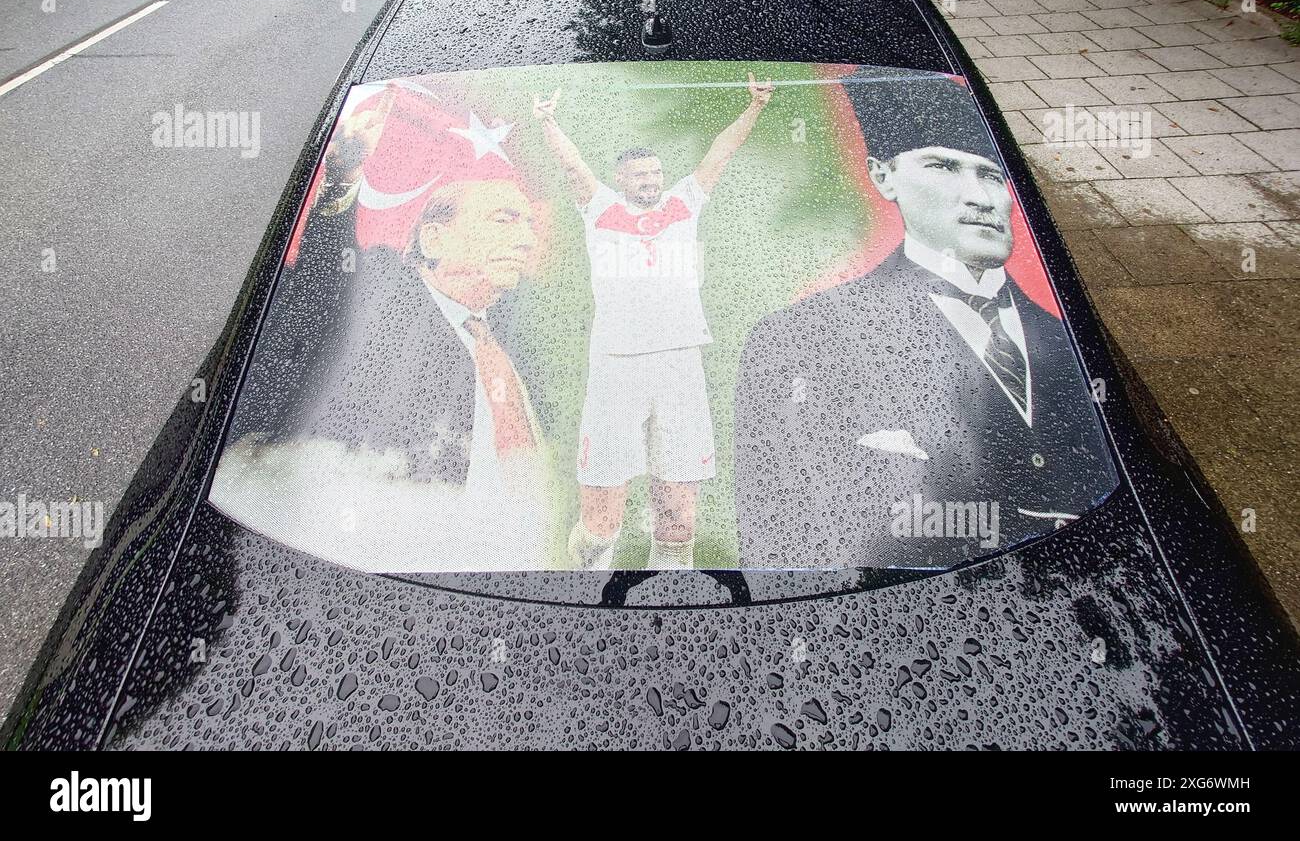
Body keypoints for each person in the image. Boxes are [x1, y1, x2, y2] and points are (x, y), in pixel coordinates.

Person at [733, 83, 1116, 570]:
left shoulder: (1071, 341)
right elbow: (778, 541)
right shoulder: (798, 340)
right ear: (883, 176)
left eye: (992, 175)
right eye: (943, 166)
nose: (979, 197)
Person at [210, 86, 555, 571]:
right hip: (371, 559)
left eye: (528, 226)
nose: (523, 239)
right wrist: (343, 177)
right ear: (435, 235)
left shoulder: (520, 337)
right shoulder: (382, 288)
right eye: (504, 220)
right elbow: (322, 277)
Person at [534, 72, 775, 570]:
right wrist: (547, 122)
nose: (650, 180)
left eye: (655, 172)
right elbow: (574, 168)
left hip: (679, 364)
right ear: (621, 179)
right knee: (601, 524)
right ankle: (576, 579)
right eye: (640, 174)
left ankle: (670, 601)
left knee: (678, 519)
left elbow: (719, 154)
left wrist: (754, 107)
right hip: (616, 367)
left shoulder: (684, 205)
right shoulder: (599, 210)